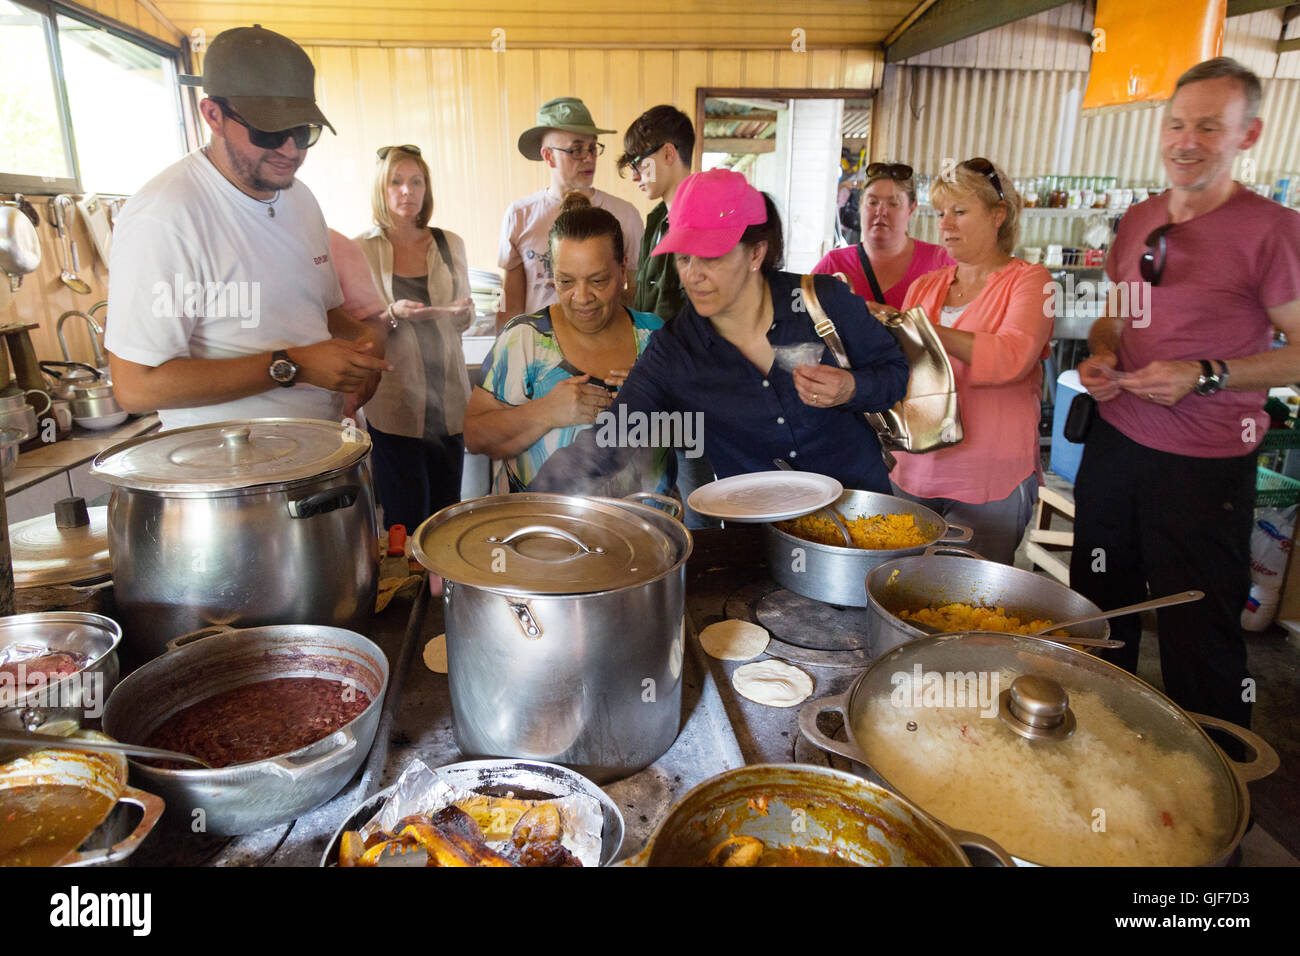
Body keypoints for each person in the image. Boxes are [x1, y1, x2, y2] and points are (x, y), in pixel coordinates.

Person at [1072, 57, 1300, 730]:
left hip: (1204, 468)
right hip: (1116, 446)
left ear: (1248, 134)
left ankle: (1217, 781)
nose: (1186, 141)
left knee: (1199, 637)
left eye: (1208, 126)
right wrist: (1104, 355)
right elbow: (1116, 316)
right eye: (1175, 124)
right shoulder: (1139, 218)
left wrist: (1207, 373)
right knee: (1098, 613)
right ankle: (1097, 749)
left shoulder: (1274, 230)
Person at [529, 169, 909, 497]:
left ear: (756, 254)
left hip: (861, 516)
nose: (693, 275)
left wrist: (852, 388)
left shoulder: (822, 302)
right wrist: (526, 509)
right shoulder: (675, 351)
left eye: (711, 257)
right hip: (762, 537)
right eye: (683, 257)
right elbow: (607, 442)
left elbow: (895, 373)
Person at [105, 25, 389, 429]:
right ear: (213, 115)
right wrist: (293, 366)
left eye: (302, 132)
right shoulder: (166, 215)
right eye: (268, 131)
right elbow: (137, 386)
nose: (290, 150)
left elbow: (319, 313)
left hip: (320, 447)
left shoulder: (300, 198)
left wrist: (365, 341)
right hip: (227, 462)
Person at [888, 158, 1053, 565]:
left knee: (970, 594)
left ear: (998, 215)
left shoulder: (1031, 281)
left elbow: (1013, 356)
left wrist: (921, 329)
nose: (945, 225)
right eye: (940, 213)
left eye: (959, 212)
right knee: (903, 585)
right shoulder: (925, 286)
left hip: (988, 477)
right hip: (914, 468)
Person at [466, 193, 669, 494]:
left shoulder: (655, 336)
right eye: (565, 281)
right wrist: (546, 412)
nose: (582, 297)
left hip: (644, 520)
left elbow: (695, 433)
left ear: (623, 267)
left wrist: (654, 404)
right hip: (542, 521)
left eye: (598, 281)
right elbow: (475, 436)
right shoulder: (525, 340)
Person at [355, 144, 475, 529]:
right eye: (396, 182)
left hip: (448, 397)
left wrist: (464, 314)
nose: (407, 191)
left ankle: (442, 573)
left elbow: (464, 317)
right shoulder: (362, 249)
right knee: (403, 519)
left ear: (427, 188)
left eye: (416, 181)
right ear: (381, 188)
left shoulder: (449, 243)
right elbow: (355, 326)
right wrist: (392, 314)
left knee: (447, 516)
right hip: (395, 401)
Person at [618, 104, 719, 528]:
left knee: (704, 501)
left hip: (699, 386)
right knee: (671, 492)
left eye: (639, 164)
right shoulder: (658, 219)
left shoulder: (708, 218)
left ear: (668, 153)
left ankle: (712, 562)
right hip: (661, 382)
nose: (636, 176)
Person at [497, 98, 644, 327]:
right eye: (576, 150)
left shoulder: (625, 214)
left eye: (593, 148)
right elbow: (511, 305)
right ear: (548, 156)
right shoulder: (520, 216)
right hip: (539, 343)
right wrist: (505, 345)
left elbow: (638, 294)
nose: (589, 158)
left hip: (608, 341)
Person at [812, 163, 952, 310]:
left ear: (911, 209)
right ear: (861, 205)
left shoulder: (941, 262)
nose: (881, 211)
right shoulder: (834, 264)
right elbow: (800, 312)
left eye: (893, 203)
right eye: (872, 202)